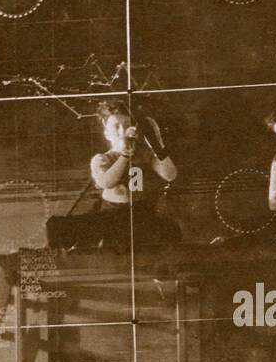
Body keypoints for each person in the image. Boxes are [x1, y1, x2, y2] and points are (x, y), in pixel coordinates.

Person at [46, 101, 179, 250]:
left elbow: (170, 175)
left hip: (141, 213)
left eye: (127, 125)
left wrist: (157, 142)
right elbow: (106, 183)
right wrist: (125, 155)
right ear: (107, 133)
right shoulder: (102, 159)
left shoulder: (146, 155)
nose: (122, 131)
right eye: (116, 126)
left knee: (170, 231)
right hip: (111, 214)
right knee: (58, 227)